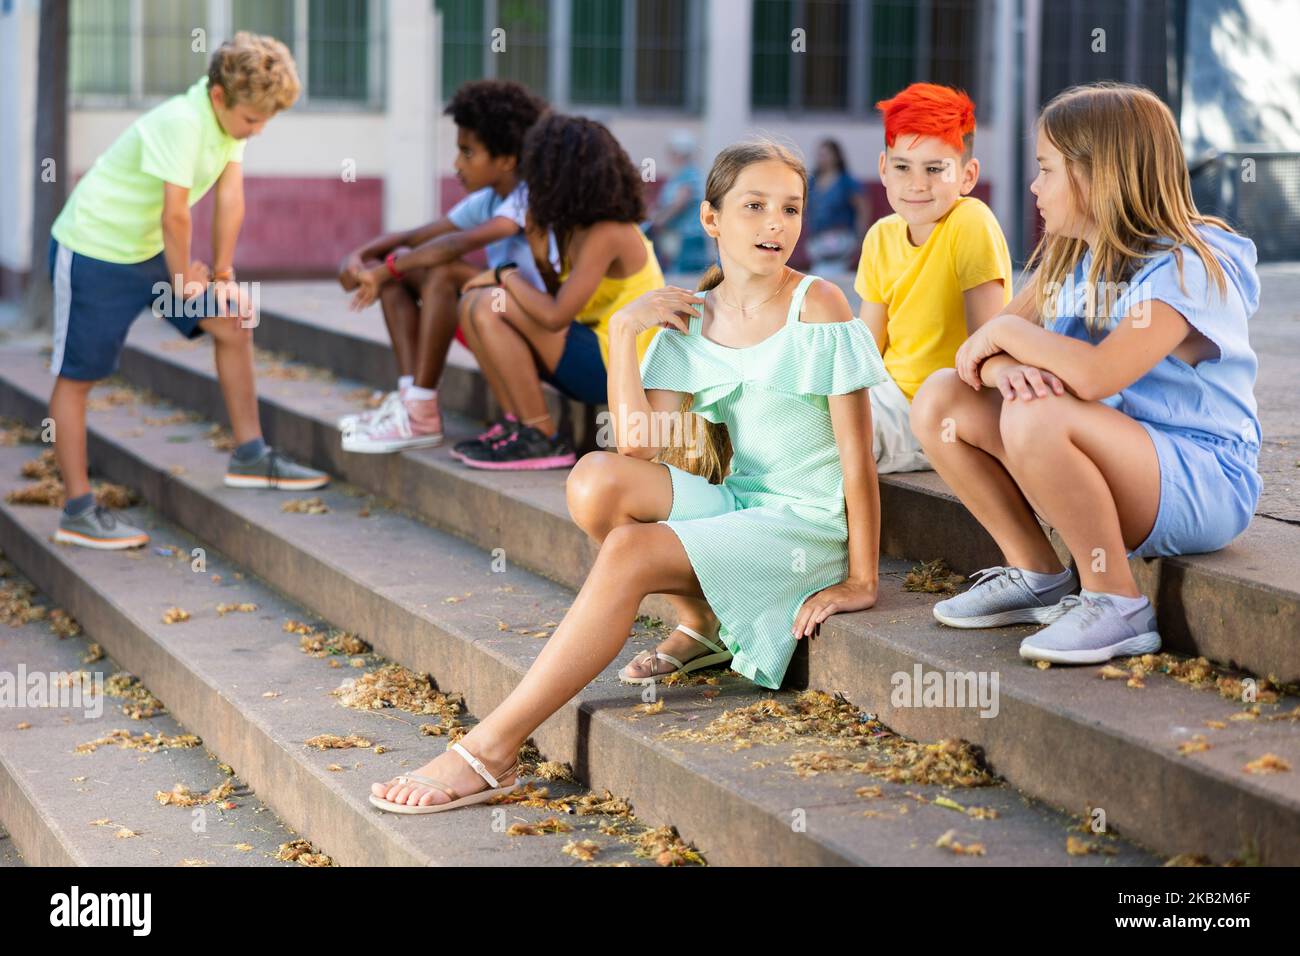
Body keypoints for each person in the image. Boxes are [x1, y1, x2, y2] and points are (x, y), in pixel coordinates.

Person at [368, 138, 885, 812]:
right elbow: (643, 448)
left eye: (790, 208)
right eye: (753, 206)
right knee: (594, 480)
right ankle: (701, 628)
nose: (775, 224)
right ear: (711, 220)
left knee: (631, 548)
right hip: (736, 499)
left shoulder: (818, 305)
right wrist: (621, 334)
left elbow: (856, 453)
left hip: (800, 524)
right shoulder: (691, 316)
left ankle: (490, 751)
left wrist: (862, 579)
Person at [909, 82, 1262, 664]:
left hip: (1200, 480)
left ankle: (1117, 602)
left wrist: (1009, 339)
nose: (1034, 186)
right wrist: (1003, 368)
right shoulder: (1070, 255)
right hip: (1110, 462)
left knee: (1036, 415)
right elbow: (975, 356)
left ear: (1101, 173)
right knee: (941, 398)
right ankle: (1038, 575)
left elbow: (1098, 375)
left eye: (1047, 169)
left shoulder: (1188, 264)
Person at [46, 32, 327, 551]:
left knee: (233, 321)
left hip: (149, 250)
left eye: (266, 121)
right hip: (95, 251)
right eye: (252, 120)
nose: (258, 130)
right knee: (77, 377)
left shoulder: (231, 120)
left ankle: (249, 454)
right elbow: (176, 214)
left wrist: (221, 276)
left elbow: (231, 197)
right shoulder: (182, 121)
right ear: (220, 97)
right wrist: (183, 283)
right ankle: (78, 510)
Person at [337, 80, 551, 454]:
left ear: (506, 160)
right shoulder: (489, 198)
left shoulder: (525, 199)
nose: (456, 165)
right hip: (499, 317)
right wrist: (359, 256)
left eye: (467, 153)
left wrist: (385, 267)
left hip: (538, 327)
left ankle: (420, 412)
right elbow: (417, 236)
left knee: (443, 271)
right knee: (398, 280)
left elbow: (457, 244)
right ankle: (411, 401)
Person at [452, 114, 664, 471]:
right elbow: (565, 304)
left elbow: (555, 316)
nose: (530, 181)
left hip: (621, 366)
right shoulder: (572, 226)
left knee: (488, 303)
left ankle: (541, 438)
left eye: (537, 171)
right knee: (473, 302)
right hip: (591, 351)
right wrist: (541, 259)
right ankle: (516, 425)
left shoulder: (609, 231)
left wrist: (505, 275)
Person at [855, 82, 1014, 474]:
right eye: (902, 167)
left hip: (936, 414)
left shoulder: (970, 222)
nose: (917, 184)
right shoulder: (880, 236)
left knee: (829, 434)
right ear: (883, 169)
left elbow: (989, 343)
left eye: (934, 169)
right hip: (886, 397)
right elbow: (866, 352)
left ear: (967, 175)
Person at [648, 130, 712, 276]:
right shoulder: (681, 174)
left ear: (679, 153)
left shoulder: (689, 174)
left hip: (687, 237)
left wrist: (658, 220)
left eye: (672, 152)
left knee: (684, 280)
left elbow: (680, 202)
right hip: (680, 237)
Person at [805, 138, 867, 272]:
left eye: (826, 155)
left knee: (835, 273)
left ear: (836, 157)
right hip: (817, 238)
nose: (822, 159)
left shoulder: (846, 181)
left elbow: (862, 208)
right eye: (820, 155)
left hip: (842, 237)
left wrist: (860, 236)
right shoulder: (812, 182)